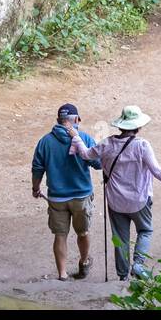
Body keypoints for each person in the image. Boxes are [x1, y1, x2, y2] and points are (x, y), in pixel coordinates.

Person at [69, 105, 161, 281]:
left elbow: (85, 154)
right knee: (145, 230)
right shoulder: (143, 146)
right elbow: (157, 171)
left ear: (120, 125)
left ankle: (122, 277)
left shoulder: (107, 143)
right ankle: (138, 264)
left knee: (119, 239)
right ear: (138, 127)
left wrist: (76, 138)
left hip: (115, 201)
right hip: (139, 200)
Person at [31, 103, 101, 280]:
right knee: (83, 232)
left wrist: (36, 187)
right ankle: (84, 262)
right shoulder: (84, 138)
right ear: (76, 119)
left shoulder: (45, 141)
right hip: (81, 195)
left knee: (60, 235)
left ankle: (62, 274)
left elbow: (37, 167)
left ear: (58, 120)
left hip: (57, 197)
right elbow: (98, 163)